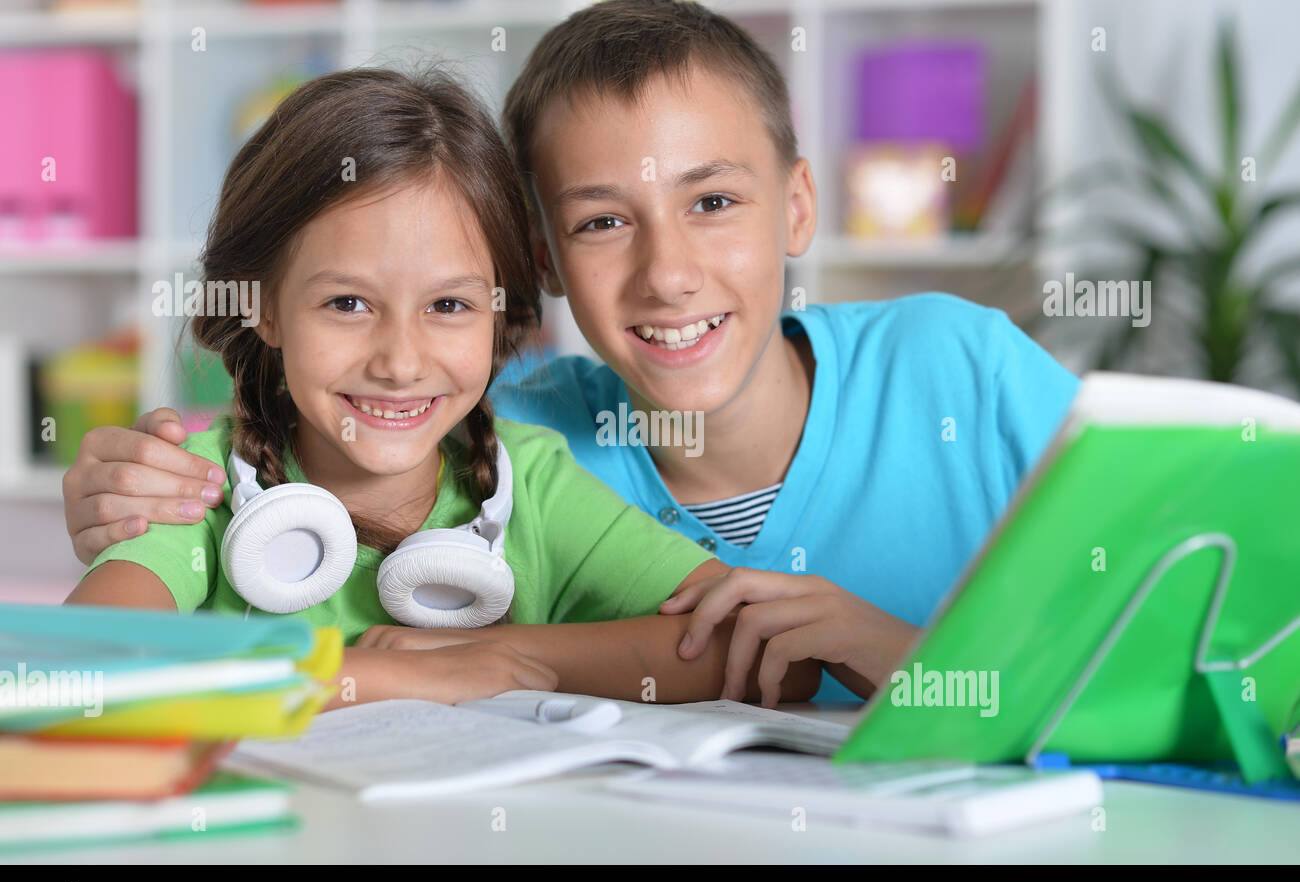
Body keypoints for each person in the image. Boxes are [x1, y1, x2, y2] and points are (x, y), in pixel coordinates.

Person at [62, 0, 1078, 704]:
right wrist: (122, 487)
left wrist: (506, 654)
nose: (668, 274)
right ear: (543, 262)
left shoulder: (963, 370)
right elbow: (94, 649)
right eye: (603, 222)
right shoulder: (506, 427)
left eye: (713, 201)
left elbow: (1211, 628)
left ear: (798, 204)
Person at [63, 66, 822, 710]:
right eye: (348, 304)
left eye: (449, 306)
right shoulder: (194, 491)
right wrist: (382, 675)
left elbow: (768, 653)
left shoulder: (537, 484)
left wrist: (509, 657)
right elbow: (75, 671)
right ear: (264, 306)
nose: (400, 361)